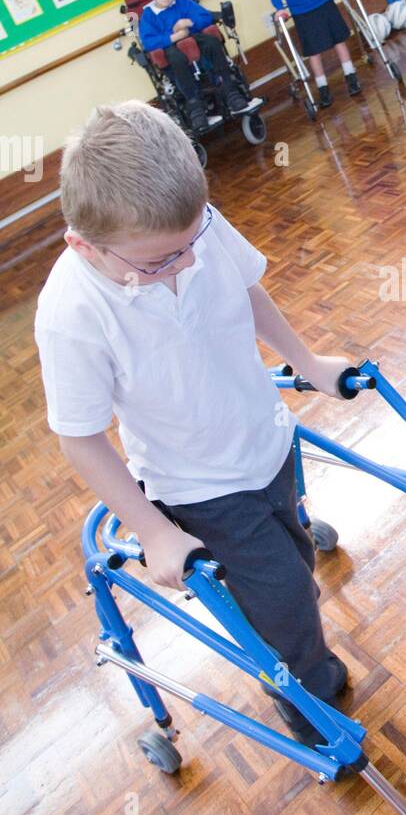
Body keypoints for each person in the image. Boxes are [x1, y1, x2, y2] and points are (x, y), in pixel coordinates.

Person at [34, 101, 354, 748]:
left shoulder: (193, 231)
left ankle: (299, 650)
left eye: (189, 245)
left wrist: (308, 362)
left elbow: (245, 289)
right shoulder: (71, 312)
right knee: (285, 595)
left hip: (267, 439)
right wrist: (154, 532)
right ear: (83, 246)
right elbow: (80, 437)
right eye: (157, 262)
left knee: (294, 558)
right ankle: (305, 701)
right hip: (199, 486)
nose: (183, 263)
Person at [138, 0, 252, 134]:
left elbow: (205, 16)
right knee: (176, 58)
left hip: (194, 38)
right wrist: (172, 37)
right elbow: (148, 42)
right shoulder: (148, 15)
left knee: (212, 42)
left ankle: (229, 90)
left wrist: (190, 23)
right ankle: (194, 105)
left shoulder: (184, 3)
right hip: (170, 46)